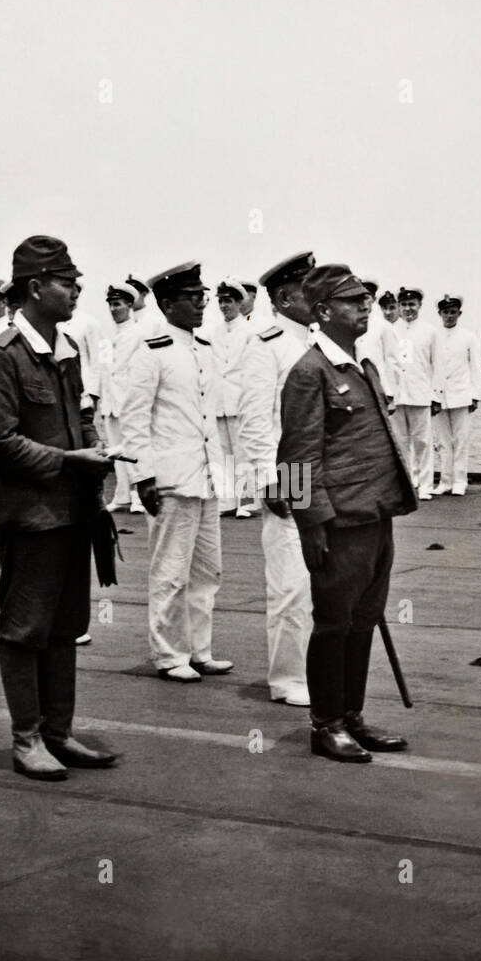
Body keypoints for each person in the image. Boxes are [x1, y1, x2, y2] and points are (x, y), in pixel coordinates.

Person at [0, 236, 117, 777]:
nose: (77, 290)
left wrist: (93, 455)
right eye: (66, 282)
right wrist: (69, 460)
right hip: (31, 516)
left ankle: (58, 733)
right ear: (35, 288)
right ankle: (26, 738)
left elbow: (79, 415)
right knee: (25, 627)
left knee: (64, 626)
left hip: (72, 511)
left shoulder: (66, 350)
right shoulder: (2, 356)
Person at [277, 264, 414, 763]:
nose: (364, 306)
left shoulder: (364, 368)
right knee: (333, 623)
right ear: (321, 311)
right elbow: (294, 459)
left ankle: (352, 717)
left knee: (364, 620)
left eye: (364, 299)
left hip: (377, 515)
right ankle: (326, 724)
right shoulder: (308, 373)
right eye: (351, 300)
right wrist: (310, 525)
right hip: (339, 523)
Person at [121, 262, 232, 683]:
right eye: (191, 297)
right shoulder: (151, 349)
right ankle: (169, 654)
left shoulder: (203, 348)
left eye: (202, 296)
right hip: (170, 478)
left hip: (203, 476)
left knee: (207, 571)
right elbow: (135, 417)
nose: (201, 303)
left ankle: (199, 649)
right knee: (170, 571)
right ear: (167, 304)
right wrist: (143, 477)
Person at [236, 250, 316, 708]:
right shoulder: (264, 344)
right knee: (290, 582)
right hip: (291, 472)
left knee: (321, 581)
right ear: (285, 297)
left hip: (321, 473)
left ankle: (315, 670)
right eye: (307, 288)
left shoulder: (315, 341)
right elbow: (254, 419)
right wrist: (270, 480)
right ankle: (288, 678)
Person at [206, 277, 259, 517]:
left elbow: (252, 368)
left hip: (240, 398)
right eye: (221, 301)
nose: (224, 306)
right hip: (219, 399)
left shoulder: (249, 332)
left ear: (239, 303)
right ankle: (228, 500)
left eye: (228, 301)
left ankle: (248, 500)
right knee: (223, 450)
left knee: (243, 450)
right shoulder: (213, 333)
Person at [389, 286, 440, 499]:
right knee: (400, 443)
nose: (408, 309)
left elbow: (437, 366)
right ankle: (407, 484)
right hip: (399, 396)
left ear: (419, 305)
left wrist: (435, 396)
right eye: (404, 305)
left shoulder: (430, 331)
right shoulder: (392, 330)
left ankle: (426, 485)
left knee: (423, 443)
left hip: (421, 394)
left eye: (412, 304)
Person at [99, 283, 144, 512]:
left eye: (117, 304)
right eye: (111, 305)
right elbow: (105, 370)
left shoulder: (139, 333)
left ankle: (138, 494)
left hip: (129, 399)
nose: (113, 309)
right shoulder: (108, 337)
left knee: (133, 448)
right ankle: (122, 494)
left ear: (129, 305)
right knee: (116, 449)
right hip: (111, 401)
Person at [431, 294, 481, 496]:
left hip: (461, 394)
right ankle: (445, 480)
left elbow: (476, 367)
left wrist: (475, 395)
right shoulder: (434, 336)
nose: (449, 316)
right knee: (443, 441)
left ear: (459, 313)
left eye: (453, 312)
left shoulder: (469, 336)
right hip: (440, 396)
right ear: (440, 314)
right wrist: (431, 395)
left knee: (461, 440)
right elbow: (430, 367)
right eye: (446, 312)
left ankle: (460, 481)